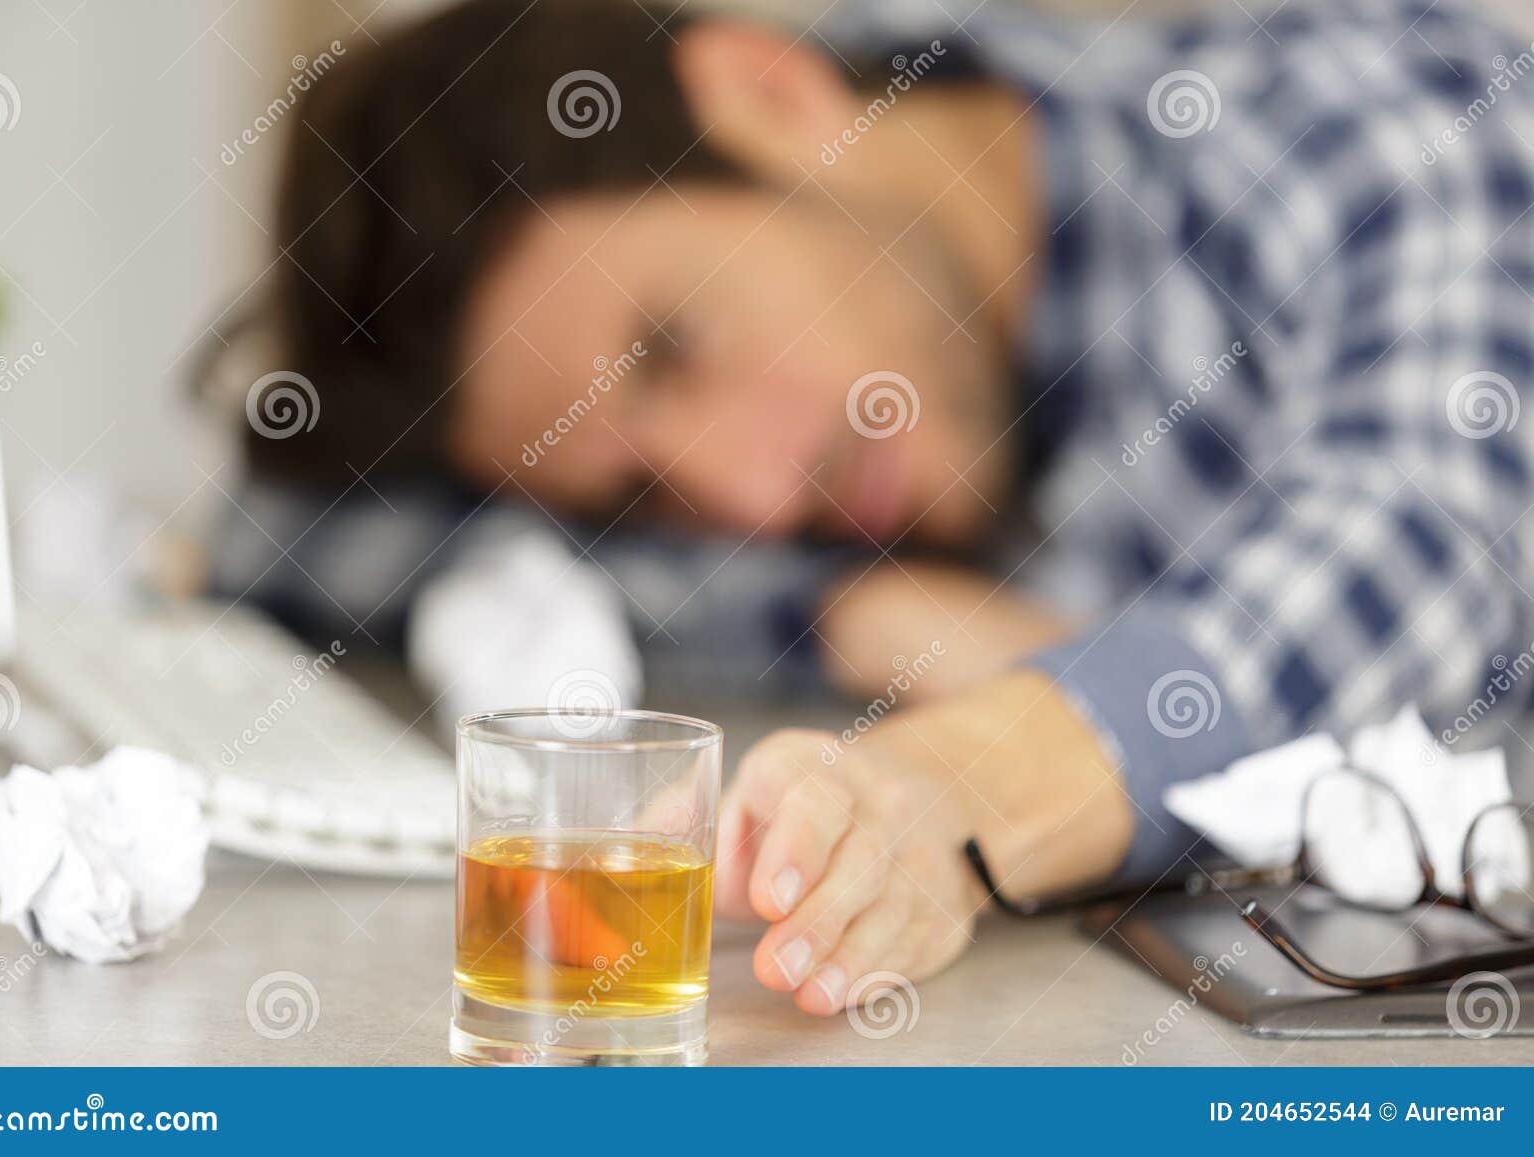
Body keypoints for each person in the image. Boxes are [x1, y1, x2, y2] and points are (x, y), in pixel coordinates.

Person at [209, 0, 1534, 1016]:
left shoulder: (1391, 126)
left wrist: (956, 787)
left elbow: (1426, 541)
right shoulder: (847, 470)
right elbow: (281, 541)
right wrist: (856, 612)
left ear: (770, 93)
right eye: (641, 492)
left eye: (672, 345)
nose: (743, 497)